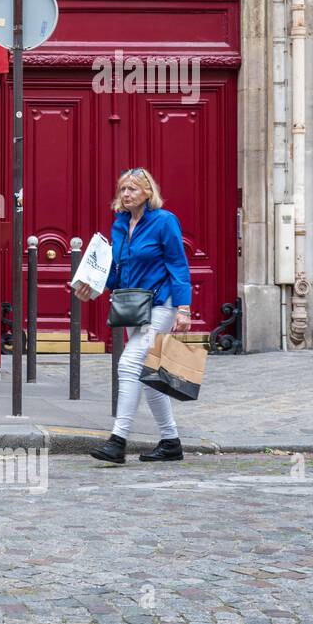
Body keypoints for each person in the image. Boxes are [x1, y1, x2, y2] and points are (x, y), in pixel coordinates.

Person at [74, 167, 193, 464]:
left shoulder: (164, 222)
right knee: (149, 375)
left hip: (160, 304)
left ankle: (118, 440)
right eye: (123, 189)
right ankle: (170, 442)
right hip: (133, 306)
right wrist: (94, 285)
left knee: (128, 363)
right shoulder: (120, 224)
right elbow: (118, 271)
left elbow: (178, 265)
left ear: (148, 192)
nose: (126, 195)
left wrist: (183, 308)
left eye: (132, 189)